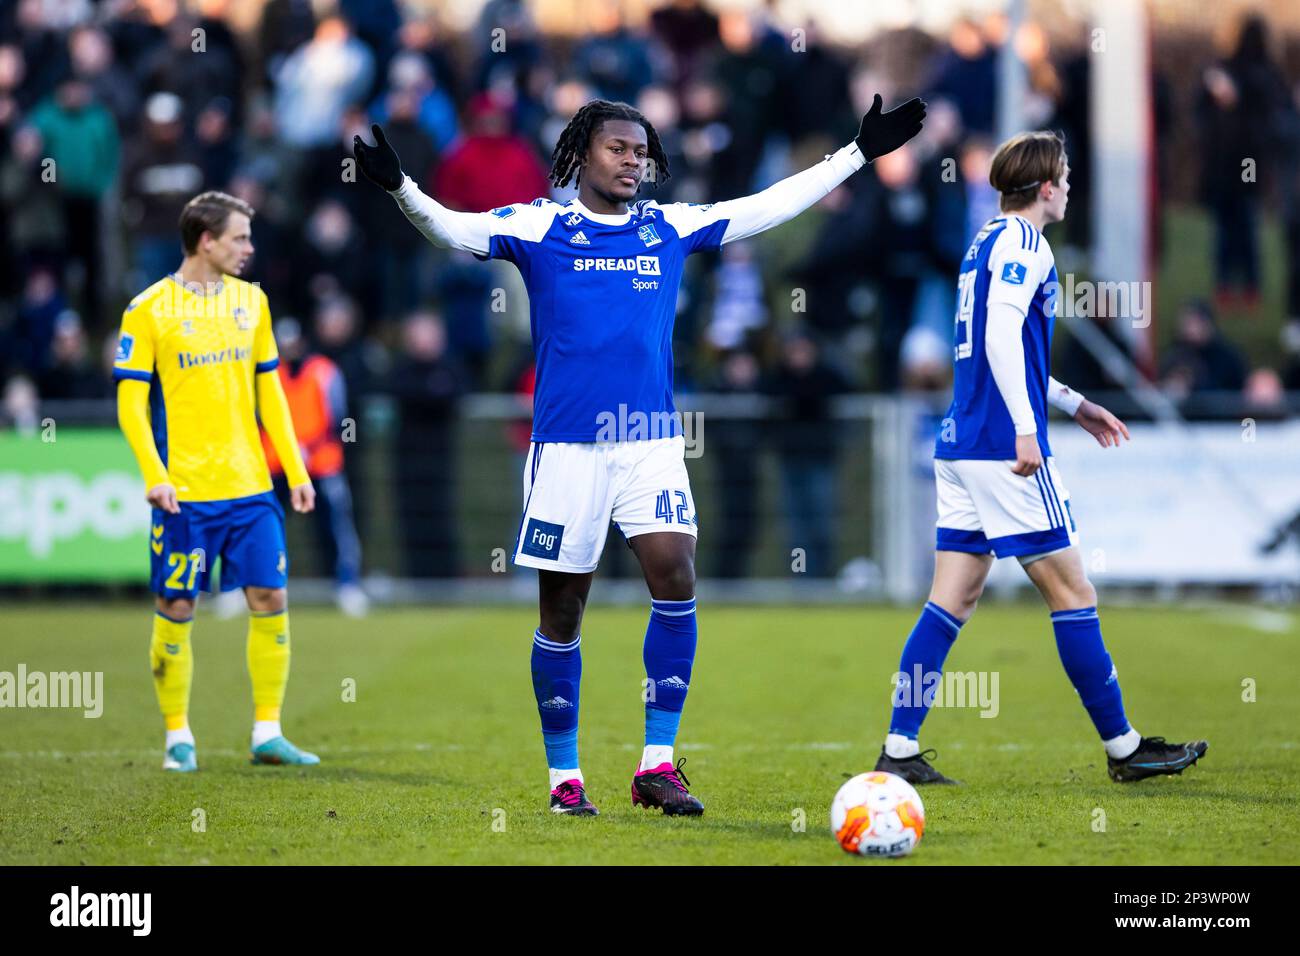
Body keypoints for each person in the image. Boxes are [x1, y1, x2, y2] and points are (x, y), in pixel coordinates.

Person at [354, 93, 926, 815]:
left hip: (650, 441)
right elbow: (450, 228)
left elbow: (766, 207)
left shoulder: (667, 228)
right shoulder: (539, 226)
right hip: (567, 449)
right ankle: (565, 778)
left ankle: (657, 764)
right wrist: (400, 186)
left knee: (676, 574)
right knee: (564, 612)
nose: (633, 162)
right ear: (580, 156)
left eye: (641, 152)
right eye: (618, 149)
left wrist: (857, 153)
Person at [874, 131, 1208, 786]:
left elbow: (1002, 349)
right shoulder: (1027, 244)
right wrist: (1028, 430)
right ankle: (1125, 749)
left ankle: (899, 748)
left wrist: (1072, 402)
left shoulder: (985, 240)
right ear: (1047, 186)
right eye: (1067, 176)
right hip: (1002, 446)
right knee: (1073, 590)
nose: (1070, 186)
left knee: (952, 598)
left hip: (962, 442)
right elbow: (1001, 336)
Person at [113, 191, 320, 773]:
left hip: (250, 488)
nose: (249, 248)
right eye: (239, 238)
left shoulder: (253, 302)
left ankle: (267, 732)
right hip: (185, 494)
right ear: (206, 241)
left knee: (270, 596)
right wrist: (154, 476)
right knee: (177, 604)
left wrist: (295, 469)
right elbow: (130, 407)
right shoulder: (148, 309)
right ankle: (178, 736)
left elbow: (270, 393)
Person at [260, 317, 368, 617]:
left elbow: (342, 418)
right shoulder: (268, 372)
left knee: (335, 526)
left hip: (321, 464)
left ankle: (347, 583)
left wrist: (323, 446)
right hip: (278, 464)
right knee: (262, 526)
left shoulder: (324, 371)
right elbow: (258, 417)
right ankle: (254, 585)